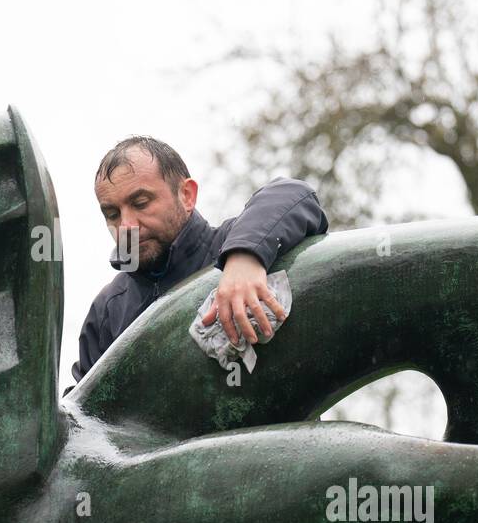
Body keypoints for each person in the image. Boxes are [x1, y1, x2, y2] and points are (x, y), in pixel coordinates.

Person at [69, 136, 329, 387]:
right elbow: (83, 415)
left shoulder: (235, 243)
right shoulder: (106, 311)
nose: (126, 227)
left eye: (140, 203)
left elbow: (293, 194)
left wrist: (245, 258)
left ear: (187, 195)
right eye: (112, 214)